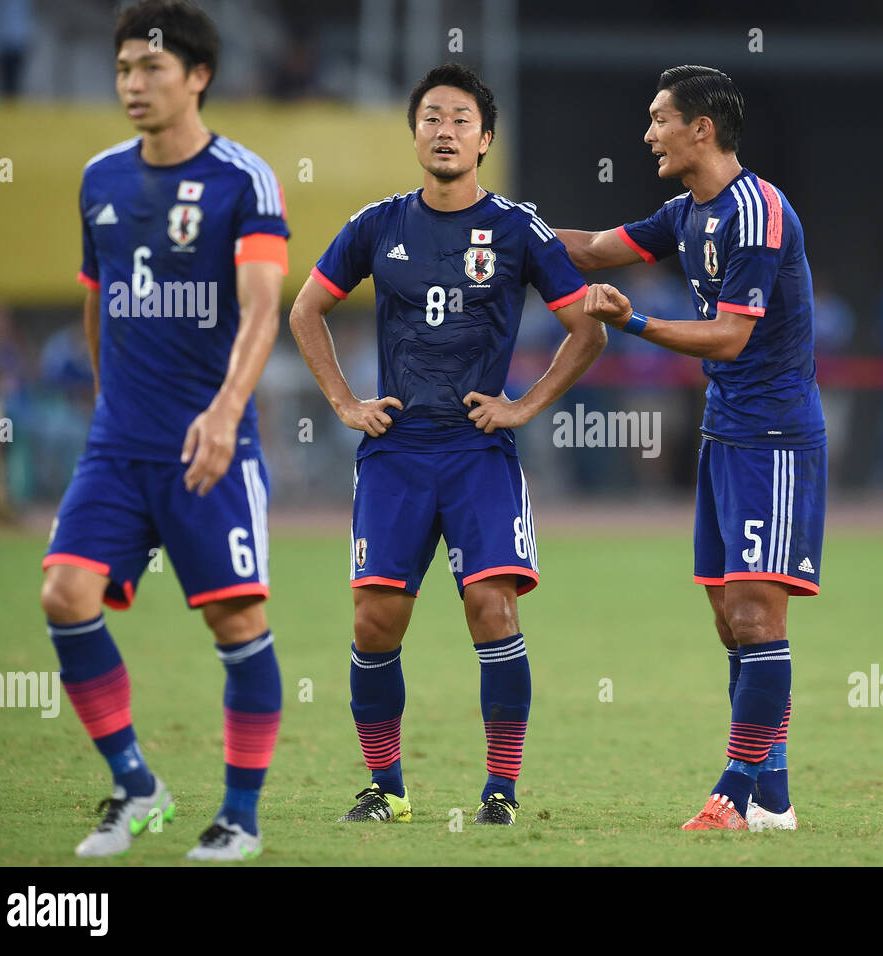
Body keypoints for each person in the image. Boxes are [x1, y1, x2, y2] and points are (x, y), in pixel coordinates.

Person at [288, 62, 605, 827]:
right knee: (373, 621)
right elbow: (306, 310)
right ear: (414, 132)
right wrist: (342, 401)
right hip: (395, 453)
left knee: (492, 609)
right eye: (431, 116)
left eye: (461, 119)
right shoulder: (377, 224)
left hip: (477, 454)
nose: (444, 130)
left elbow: (586, 328)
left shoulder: (518, 228)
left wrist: (525, 405)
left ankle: (500, 790)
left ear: (485, 138)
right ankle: (387, 789)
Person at [40, 0, 288, 861]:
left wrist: (224, 413)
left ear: (198, 77)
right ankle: (137, 785)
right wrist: (110, 405)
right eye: (122, 70)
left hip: (210, 449)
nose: (133, 84)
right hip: (118, 446)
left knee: (237, 627)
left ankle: (241, 819)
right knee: (63, 596)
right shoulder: (99, 177)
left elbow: (264, 311)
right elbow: (96, 298)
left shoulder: (244, 180)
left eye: (150, 69)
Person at [555, 65, 825, 831]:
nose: (648, 135)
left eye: (659, 120)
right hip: (726, 430)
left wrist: (632, 323)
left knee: (755, 611)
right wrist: (507, 228)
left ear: (700, 129)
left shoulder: (759, 211)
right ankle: (773, 795)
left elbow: (732, 338)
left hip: (774, 434)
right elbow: (596, 249)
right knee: (726, 613)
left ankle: (735, 793)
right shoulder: (686, 212)